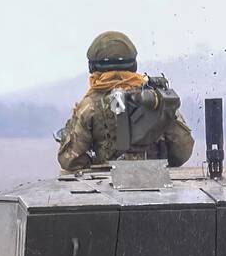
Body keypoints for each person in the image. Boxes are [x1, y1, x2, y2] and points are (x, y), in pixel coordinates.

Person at [57, 31, 195, 171]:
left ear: (92, 67)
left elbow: (70, 160)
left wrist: (97, 164)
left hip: (106, 184)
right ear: (133, 64)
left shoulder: (89, 106)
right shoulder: (156, 100)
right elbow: (182, 151)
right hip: (155, 178)